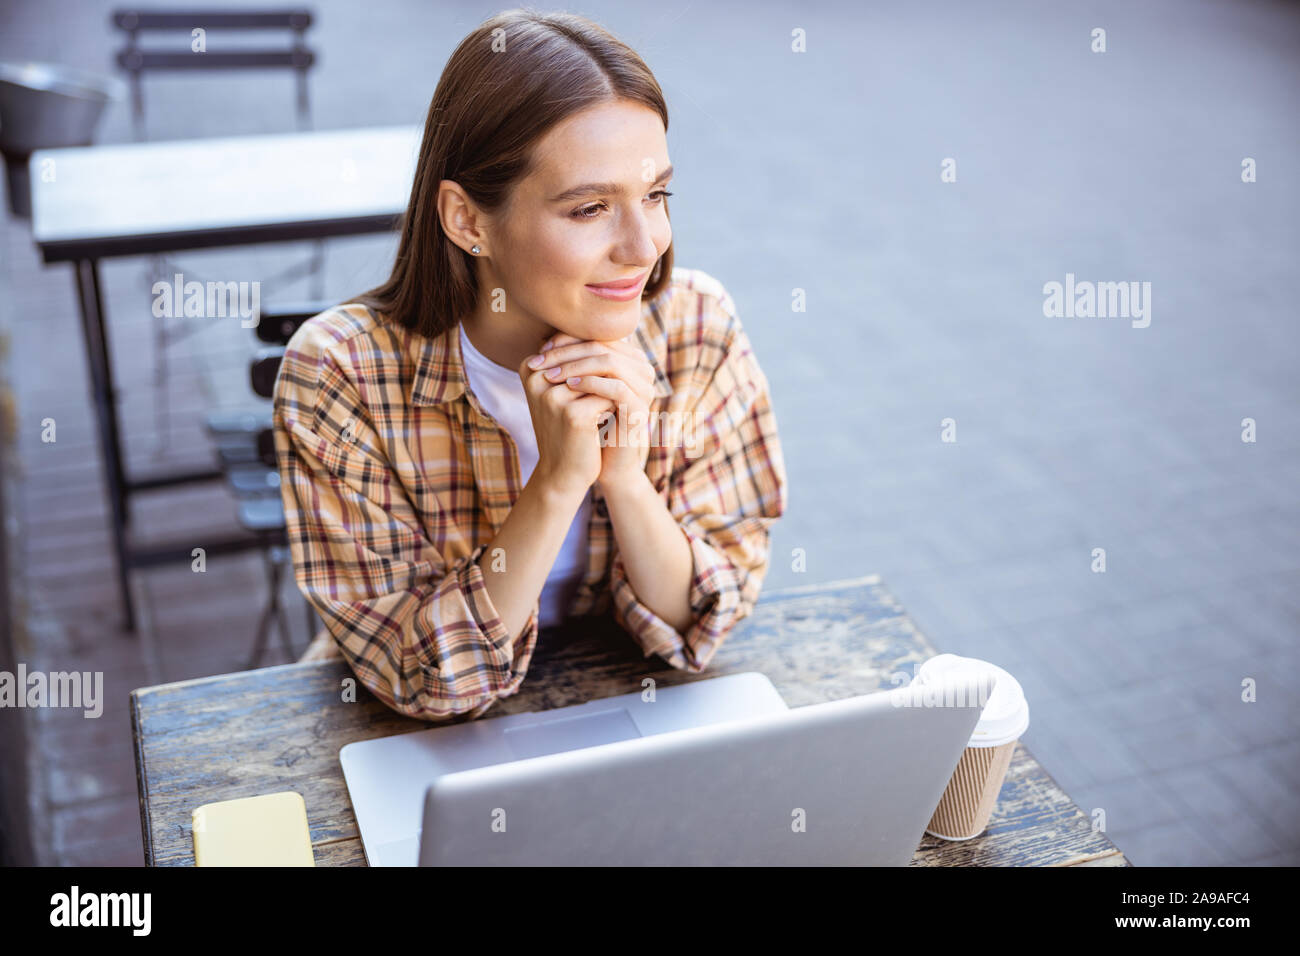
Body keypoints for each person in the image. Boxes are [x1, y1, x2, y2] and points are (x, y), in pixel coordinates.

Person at [272, 9, 787, 721]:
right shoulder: (341, 374)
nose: (645, 246)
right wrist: (554, 483)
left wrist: (625, 482)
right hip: (423, 741)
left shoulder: (696, 326)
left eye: (656, 195)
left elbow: (709, 616)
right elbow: (418, 678)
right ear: (467, 221)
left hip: (633, 712)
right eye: (590, 208)